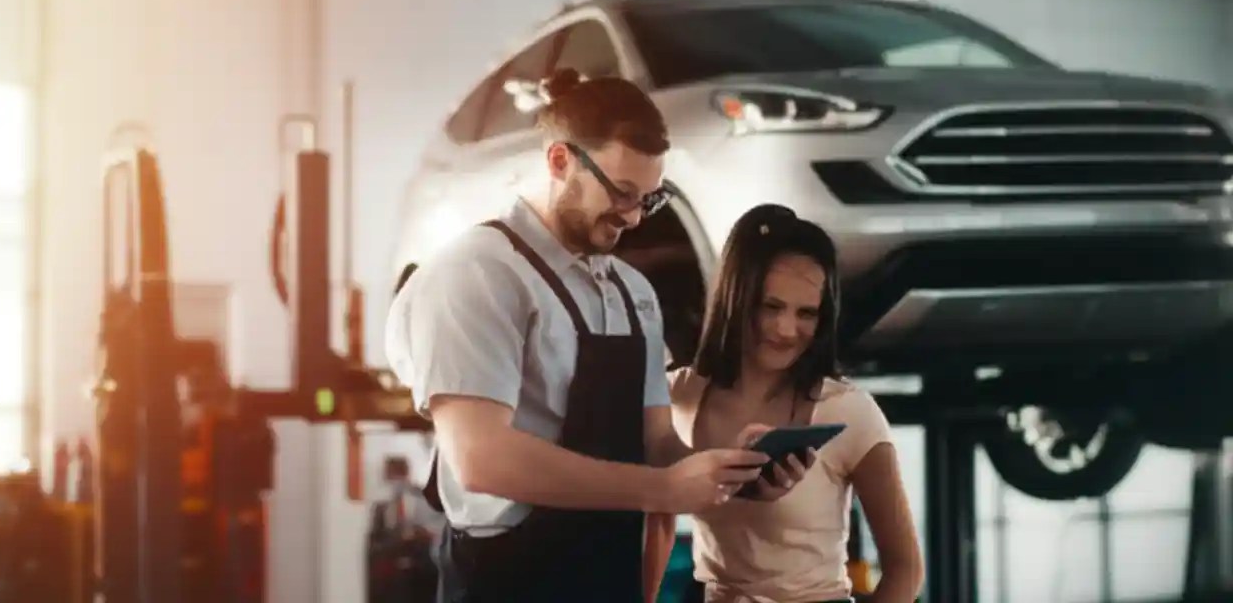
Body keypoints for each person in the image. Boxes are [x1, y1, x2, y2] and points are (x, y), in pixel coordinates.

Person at [385, 69, 802, 603]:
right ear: (560, 161)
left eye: (649, 200)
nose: (633, 218)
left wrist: (732, 467)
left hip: (610, 578)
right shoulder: (478, 273)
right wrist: (663, 489)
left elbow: (654, 445)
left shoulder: (633, 293)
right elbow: (481, 458)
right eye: (622, 192)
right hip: (508, 584)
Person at [644, 204, 924, 603]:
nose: (786, 330)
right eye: (770, 307)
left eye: (806, 313)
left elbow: (905, 569)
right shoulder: (680, 395)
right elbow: (652, 510)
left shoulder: (847, 410)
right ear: (736, 298)